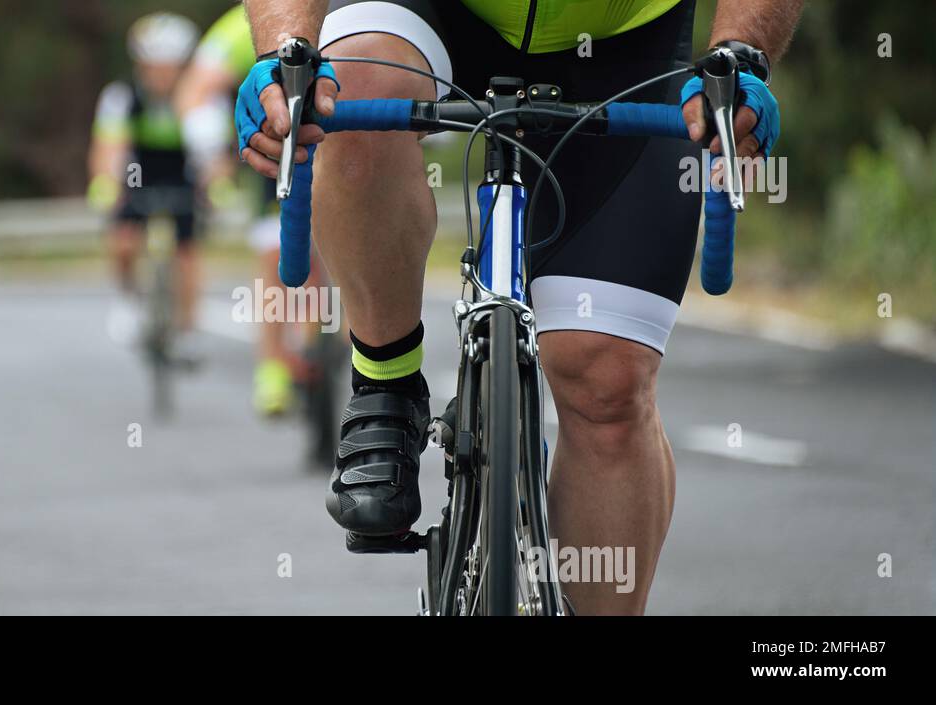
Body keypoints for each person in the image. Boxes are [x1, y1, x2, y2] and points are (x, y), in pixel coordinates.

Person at [236, 0, 796, 614]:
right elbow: (296, 53)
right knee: (345, 95)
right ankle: (384, 380)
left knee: (607, 384)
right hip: (426, 13)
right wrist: (281, 49)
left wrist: (744, 53)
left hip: (620, 36)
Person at [174, 4, 336, 417]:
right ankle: (273, 368)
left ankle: (360, 349)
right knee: (273, 254)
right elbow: (195, 90)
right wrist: (212, 156)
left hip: (349, 140)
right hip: (283, 141)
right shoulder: (246, 21)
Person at [89, 12, 203, 355]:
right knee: (123, 240)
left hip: (182, 167)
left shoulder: (197, 95)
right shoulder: (121, 96)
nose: (162, 75)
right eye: (154, 66)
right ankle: (128, 298)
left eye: (170, 66)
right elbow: (110, 145)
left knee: (186, 251)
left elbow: (211, 149)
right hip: (139, 168)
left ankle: (186, 327)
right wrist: (105, 182)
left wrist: (216, 184)